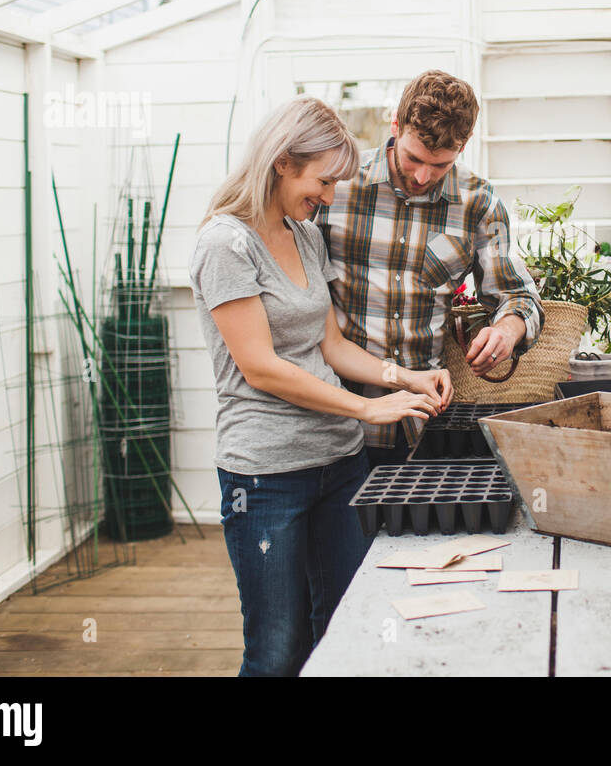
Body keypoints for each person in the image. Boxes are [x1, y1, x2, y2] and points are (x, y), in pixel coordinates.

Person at [188, 96, 452, 677]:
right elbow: (262, 367)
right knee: (277, 651)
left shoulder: (304, 235)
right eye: (323, 180)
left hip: (339, 465)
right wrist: (367, 407)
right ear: (282, 161)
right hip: (265, 478)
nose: (330, 198)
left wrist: (401, 376)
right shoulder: (225, 244)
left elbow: (330, 345)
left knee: (344, 633)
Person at [316, 70, 544, 465]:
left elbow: (518, 295)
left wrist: (507, 331)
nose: (422, 176)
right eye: (413, 158)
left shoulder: (477, 203)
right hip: (337, 424)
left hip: (421, 427)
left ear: (464, 143)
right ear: (395, 125)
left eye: (439, 165)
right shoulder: (337, 187)